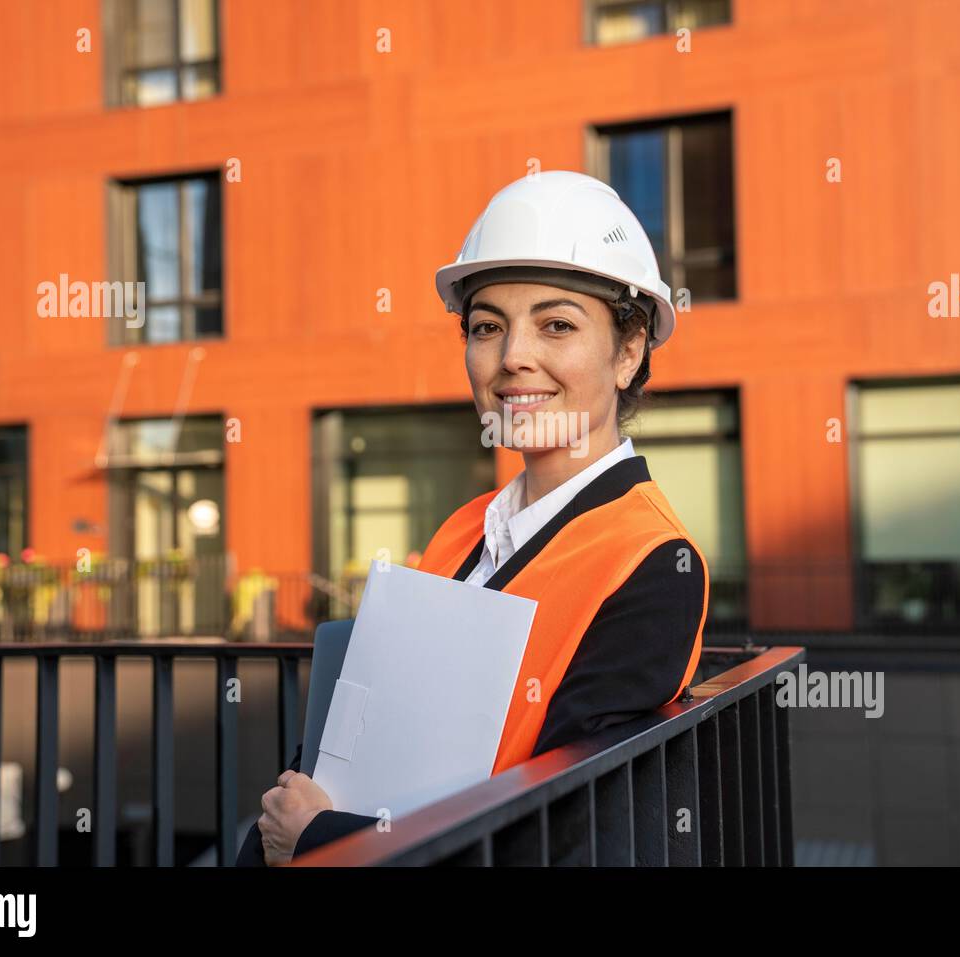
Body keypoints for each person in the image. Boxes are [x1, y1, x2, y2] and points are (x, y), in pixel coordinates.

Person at [237, 170, 709, 867]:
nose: (513, 356)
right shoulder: (463, 531)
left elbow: (560, 832)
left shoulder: (652, 562)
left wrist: (316, 837)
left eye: (556, 324)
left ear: (629, 350)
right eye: (488, 326)